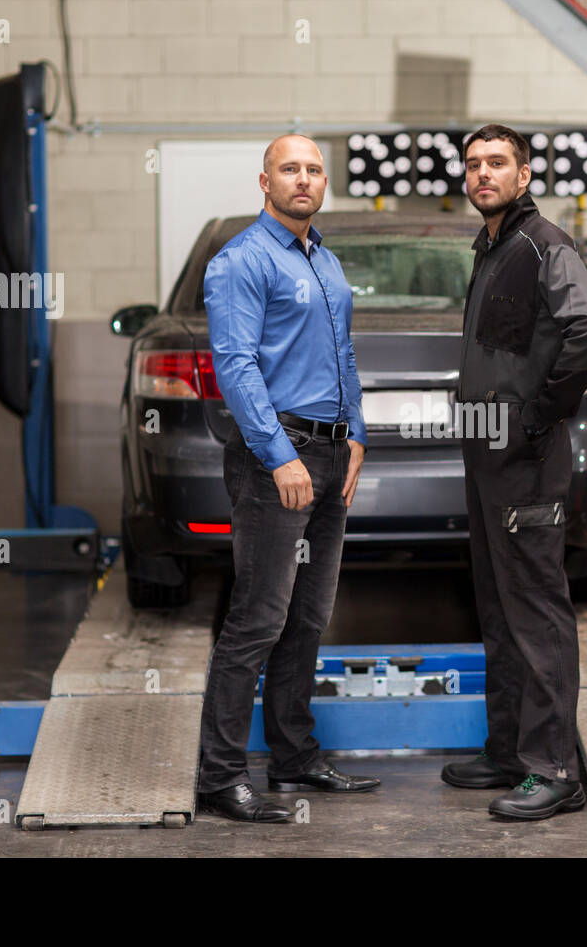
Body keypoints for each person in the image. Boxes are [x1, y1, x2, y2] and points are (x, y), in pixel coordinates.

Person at [196, 134, 380, 823]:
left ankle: (295, 757)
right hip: (279, 461)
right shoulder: (240, 262)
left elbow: (344, 353)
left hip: (331, 457)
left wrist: (356, 431)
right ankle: (218, 776)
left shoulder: (325, 261)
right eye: (289, 169)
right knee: (258, 618)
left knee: (308, 617)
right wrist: (280, 456)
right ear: (265, 181)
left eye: (313, 170)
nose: (303, 180)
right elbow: (237, 368)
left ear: (323, 181)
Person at [441, 124, 587, 820]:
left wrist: (544, 411)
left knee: (537, 613)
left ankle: (555, 771)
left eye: (497, 163)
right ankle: (512, 748)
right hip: (488, 459)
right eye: (474, 164)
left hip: (527, 459)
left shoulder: (545, 244)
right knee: (499, 607)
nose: (483, 174)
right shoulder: (491, 247)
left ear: (524, 173)